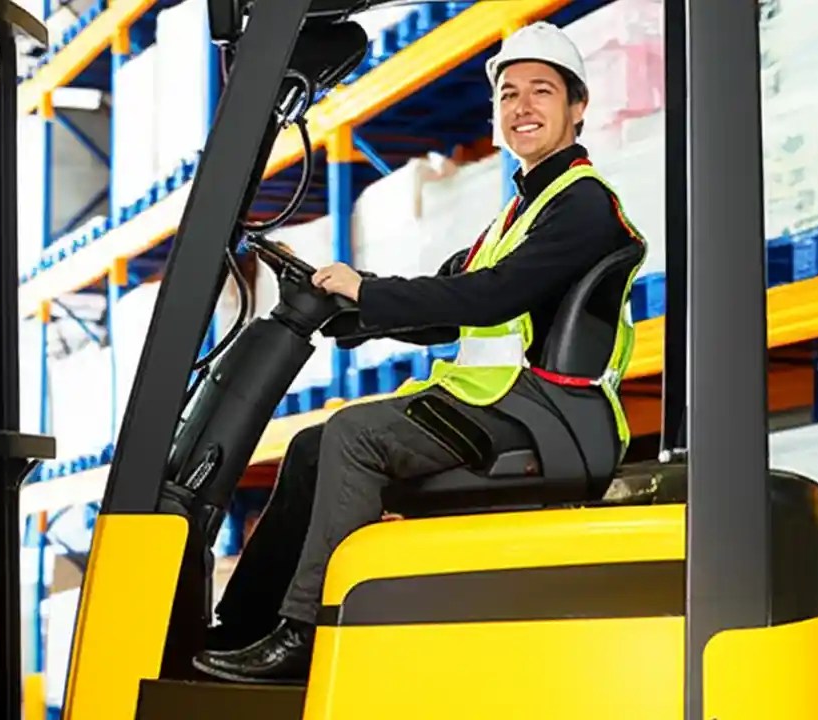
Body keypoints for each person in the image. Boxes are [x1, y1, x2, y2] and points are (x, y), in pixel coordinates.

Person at [193, 20, 647, 683]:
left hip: (550, 419)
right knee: (312, 447)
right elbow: (446, 302)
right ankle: (246, 623)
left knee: (354, 435)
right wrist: (347, 307)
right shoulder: (520, 212)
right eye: (509, 94)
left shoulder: (582, 207)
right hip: (504, 406)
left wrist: (369, 297)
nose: (522, 107)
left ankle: (306, 635)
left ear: (577, 108)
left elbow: (490, 297)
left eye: (542, 92)